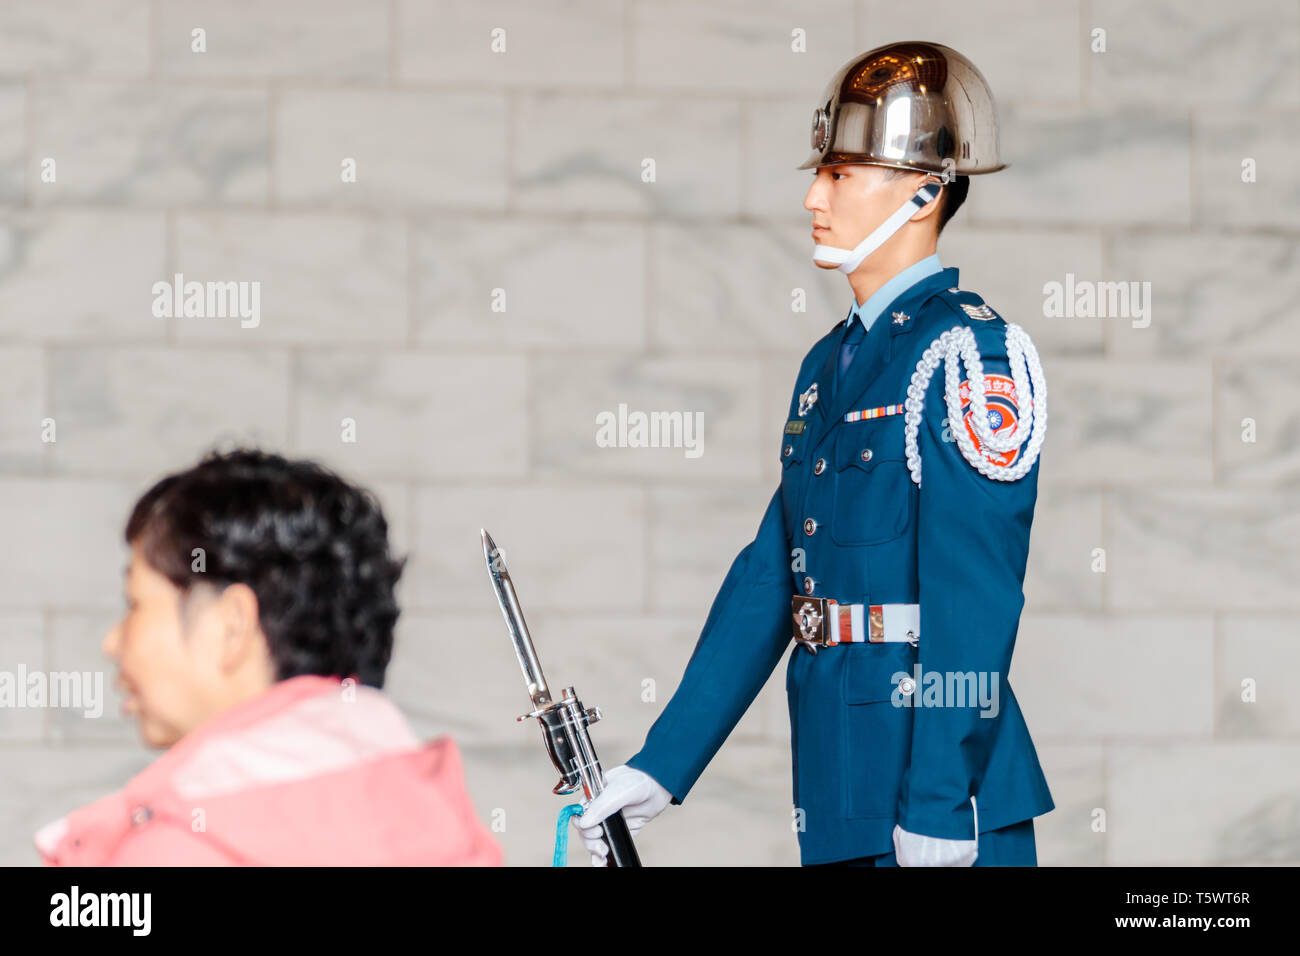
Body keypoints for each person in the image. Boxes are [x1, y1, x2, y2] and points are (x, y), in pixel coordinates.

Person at [575, 41, 1053, 866]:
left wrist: (941, 801)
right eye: (821, 173)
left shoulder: (970, 357)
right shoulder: (826, 365)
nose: (812, 197)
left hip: (937, 798)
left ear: (926, 192)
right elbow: (772, 575)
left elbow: (975, 605)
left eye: (840, 174)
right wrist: (662, 765)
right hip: (838, 783)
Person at [35, 447, 502, 866]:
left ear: (232, 626)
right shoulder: (453, 835)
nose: (112, 642)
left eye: (135, 603)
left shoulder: (183, 850)